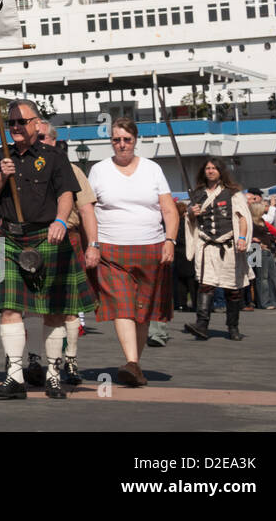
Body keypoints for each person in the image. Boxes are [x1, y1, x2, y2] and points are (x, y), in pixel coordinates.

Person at [0, 99, 97, 400]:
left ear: (36, 124)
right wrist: (1, 176)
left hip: (47, 237)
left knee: (54, 311)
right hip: (12, 238)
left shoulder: (54, 157)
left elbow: (67, 194)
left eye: (21, 121)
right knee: (9, 308)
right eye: (11, 122)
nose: (15, 127)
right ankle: (15, 377)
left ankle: (54, 375)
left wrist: (59, 219)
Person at [85, 118, 179, 387]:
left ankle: (134, 364)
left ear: (136, 140)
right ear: (111, 141)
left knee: (143, 311)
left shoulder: (152, 169)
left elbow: (169, 210)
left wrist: (170, 240)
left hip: (151, 247)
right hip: (112, 249)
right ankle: (131, 362)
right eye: (116, 139)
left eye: (126, 139)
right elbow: (89, 210)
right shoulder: (99, 170)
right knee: (122, 306)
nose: (121, 144)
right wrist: (92, 244)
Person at [35, 118, 101, 385]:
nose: (38, 142)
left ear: (53, 141)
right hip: (35, 241)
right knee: (35, 307)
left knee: (68, 306)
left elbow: (87, 211)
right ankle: (37, 361)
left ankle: (70, 360)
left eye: (42, 137)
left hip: (68, 240)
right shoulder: (25, 168)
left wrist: (93, 246)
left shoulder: (73, 170)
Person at [182, 157, 252, 342]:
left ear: (221, 171)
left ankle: (233, 327)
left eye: (214, 168)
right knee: (206, 285)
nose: (211, 171)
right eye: (208, 168)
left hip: (228, 246)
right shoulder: (197, 194)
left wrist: (242, 238)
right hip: (207, 246)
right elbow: (190, 218)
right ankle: (202, 325)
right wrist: (191, 213)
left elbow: (243, 217)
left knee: (233, 289)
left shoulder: (232, 193)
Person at [249, 199, 276, 310]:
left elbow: (267, 234)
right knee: (262, 277)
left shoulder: (262, 221)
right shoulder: (251, 223)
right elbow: (249, 235)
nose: (264, 209)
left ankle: (274, 301)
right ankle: (264, 302)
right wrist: (254, 240)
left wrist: (274, 240)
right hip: (257, 250)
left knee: (272, 277)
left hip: (267, 249)